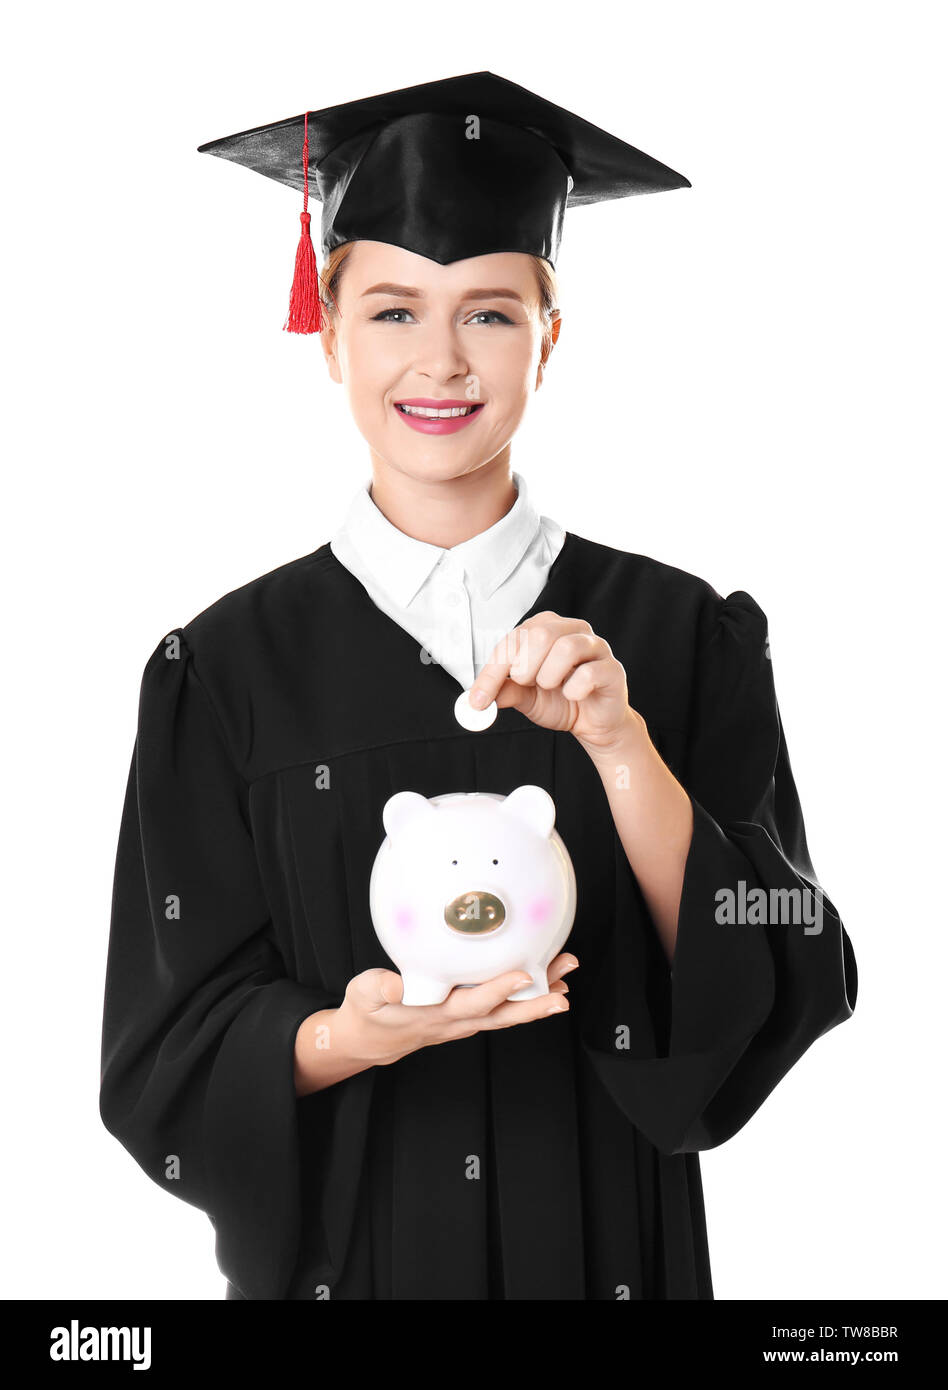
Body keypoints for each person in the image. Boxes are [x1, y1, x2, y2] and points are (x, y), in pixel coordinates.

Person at [99, 72, 857, 1300]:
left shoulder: (681, 635)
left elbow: (795, 949)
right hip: (353, 1263)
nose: (441, 360)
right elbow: (160, 1050)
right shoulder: (223, 669)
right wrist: (353, 1034)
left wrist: (624, 752)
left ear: (550, 335)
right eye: (394, 310)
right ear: (329, 329)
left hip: (611, 1253)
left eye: (491, 314)